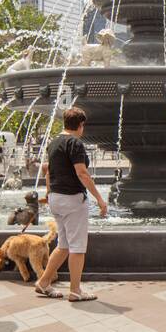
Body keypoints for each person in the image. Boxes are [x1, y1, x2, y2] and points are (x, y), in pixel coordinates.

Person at [34, 107, 109, 302]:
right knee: (77, 247)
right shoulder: (75, 143)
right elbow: (82, 173)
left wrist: (49, 194)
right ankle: (75, 291)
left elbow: (48, 172)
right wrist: (100, 199)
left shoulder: (54, 142)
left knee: (64, 245)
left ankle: (43, 283)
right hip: (72, 199)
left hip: (56, 198)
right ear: (81, 125)